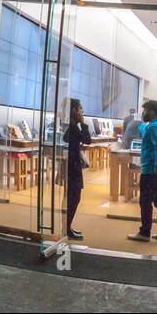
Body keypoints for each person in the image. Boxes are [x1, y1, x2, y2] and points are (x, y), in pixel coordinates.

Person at [127, 99, 157, 242]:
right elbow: (150, 135)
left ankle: (145, 233)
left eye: (145, 110)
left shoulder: (153, 128)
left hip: (152, 172)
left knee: (145, 202)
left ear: (152, 112)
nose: (143, 113)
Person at [63, 98, 92, 240]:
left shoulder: (71, 125)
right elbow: (87, 140)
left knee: (73, 197)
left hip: (72, 165)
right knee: (74, 197)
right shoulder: (74, 125)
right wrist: (83, 122)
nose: (81, 112)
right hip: (73, 167)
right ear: (74, 110)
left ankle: (67, 227)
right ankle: (66, 228)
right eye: (80, 109)